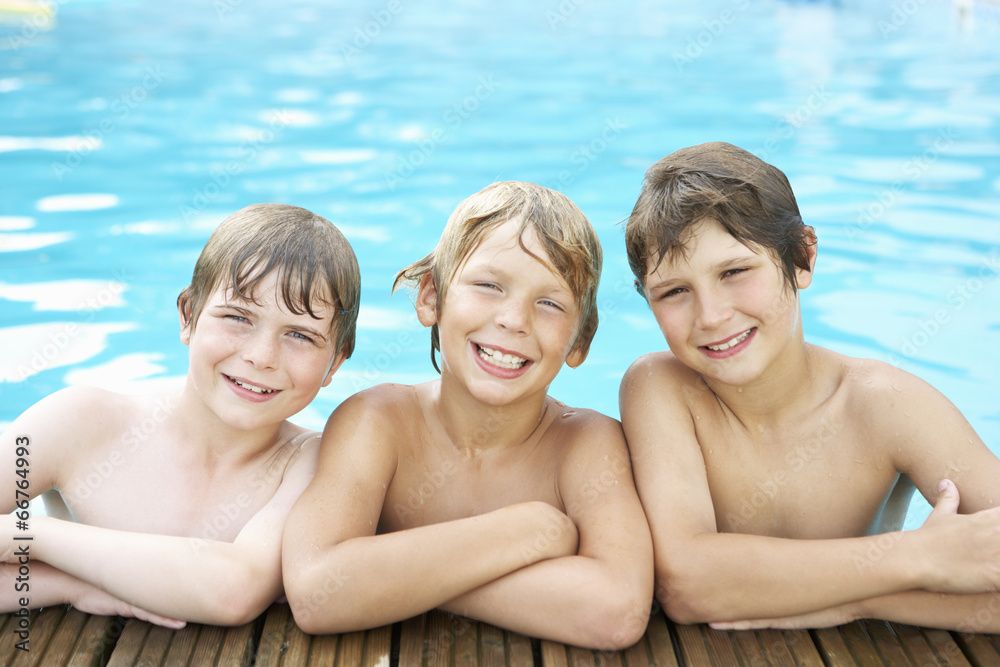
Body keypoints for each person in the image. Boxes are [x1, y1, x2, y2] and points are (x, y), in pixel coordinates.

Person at [620, 141, 1000, 633]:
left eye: (735, 272)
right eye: (674, 292)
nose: (710, 316)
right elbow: (688, 585)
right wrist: (919, 557)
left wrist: (861, 603)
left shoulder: (887, 405)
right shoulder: (661, 388)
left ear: (801, 257)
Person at [282, 181, 653, 649]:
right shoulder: (376, 423)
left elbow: (617, 611)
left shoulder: (586, 444)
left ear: (580, 340)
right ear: (431, 297)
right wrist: (529, 530)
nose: (514, 319)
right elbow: (316, 591)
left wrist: (400, 583)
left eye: (550, 303)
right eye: (488, 286)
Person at [2, 203, 360, 627]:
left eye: (299, 335)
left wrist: (34, 536)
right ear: (189, 316)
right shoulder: (78, 424)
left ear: (335, 363)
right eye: (238, 317)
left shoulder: (312, 463)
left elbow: (234, 589)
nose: (262, 356)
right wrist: (71, 586)